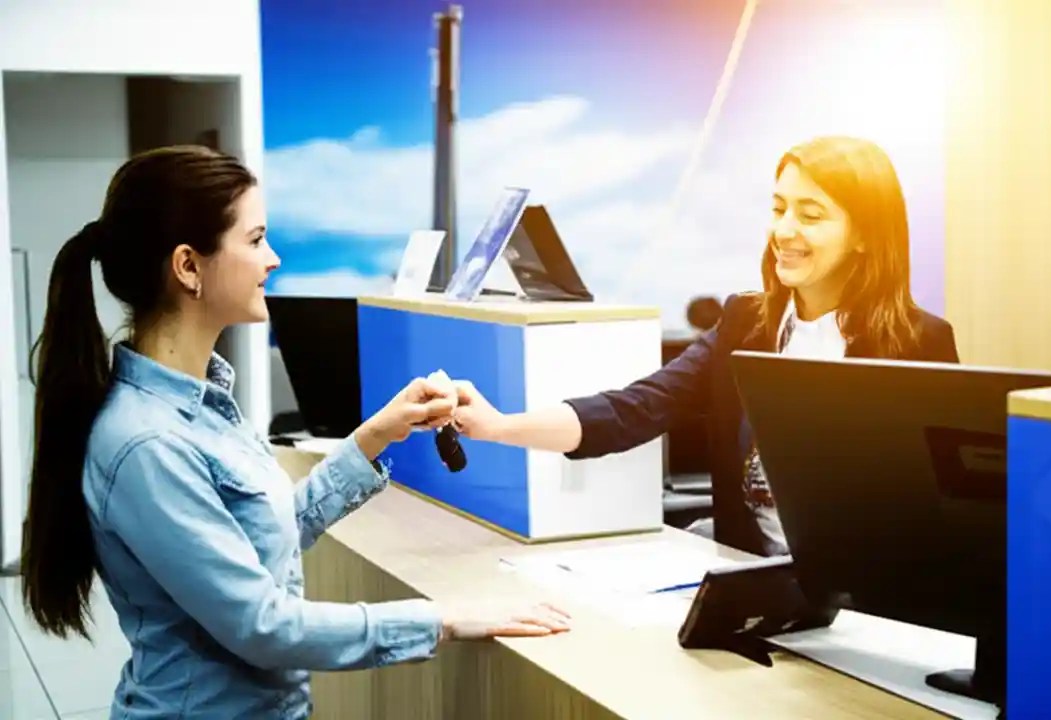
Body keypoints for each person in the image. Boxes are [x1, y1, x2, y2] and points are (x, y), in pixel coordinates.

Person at [19, 146, 569, 720]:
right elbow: (262, 625)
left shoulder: (203, 402)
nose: (273, 259)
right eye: (256, 240)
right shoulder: (147, 444)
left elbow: (266, 535)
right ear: (188, 267)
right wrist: (442, 617)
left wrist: (376, 435)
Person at [449, 136, 960, 558]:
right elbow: (635, 409)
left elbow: (946, 507)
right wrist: (498, 426)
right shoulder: (745, 323)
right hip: (755, 582)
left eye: (811, 215)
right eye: (778, 208)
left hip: (869, 603)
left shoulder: (919, 342)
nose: (784, 230)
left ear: (865, 235)